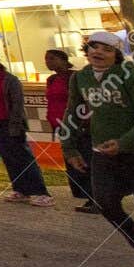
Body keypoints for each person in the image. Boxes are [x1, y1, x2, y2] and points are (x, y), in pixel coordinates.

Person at [60, 30, 134, 267]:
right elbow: (73, 111)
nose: (98, 52)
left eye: (106, 49)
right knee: (107, 204)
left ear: (116, 55)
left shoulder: (130, 77)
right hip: (102, 154)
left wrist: (123, 143)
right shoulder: (81, 78)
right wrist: (70, 149)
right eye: (93, 47)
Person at [0, 46, 52, 206]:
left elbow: (17, 104)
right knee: (8, 157)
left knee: (23, 157)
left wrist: (16, 124)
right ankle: (20, 189)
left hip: (11, 122)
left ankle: (40, 191)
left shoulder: (10, 80)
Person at [45, 49, 97, 213]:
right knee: (72, 162)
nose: (48, 62)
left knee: (85, 159)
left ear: (63, 60)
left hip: (78, 125)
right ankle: (87, 195)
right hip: (61, 125)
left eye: (52, 59)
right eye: (46, 59)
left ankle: (97, 197)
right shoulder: (52, 79)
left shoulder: (75, 77)